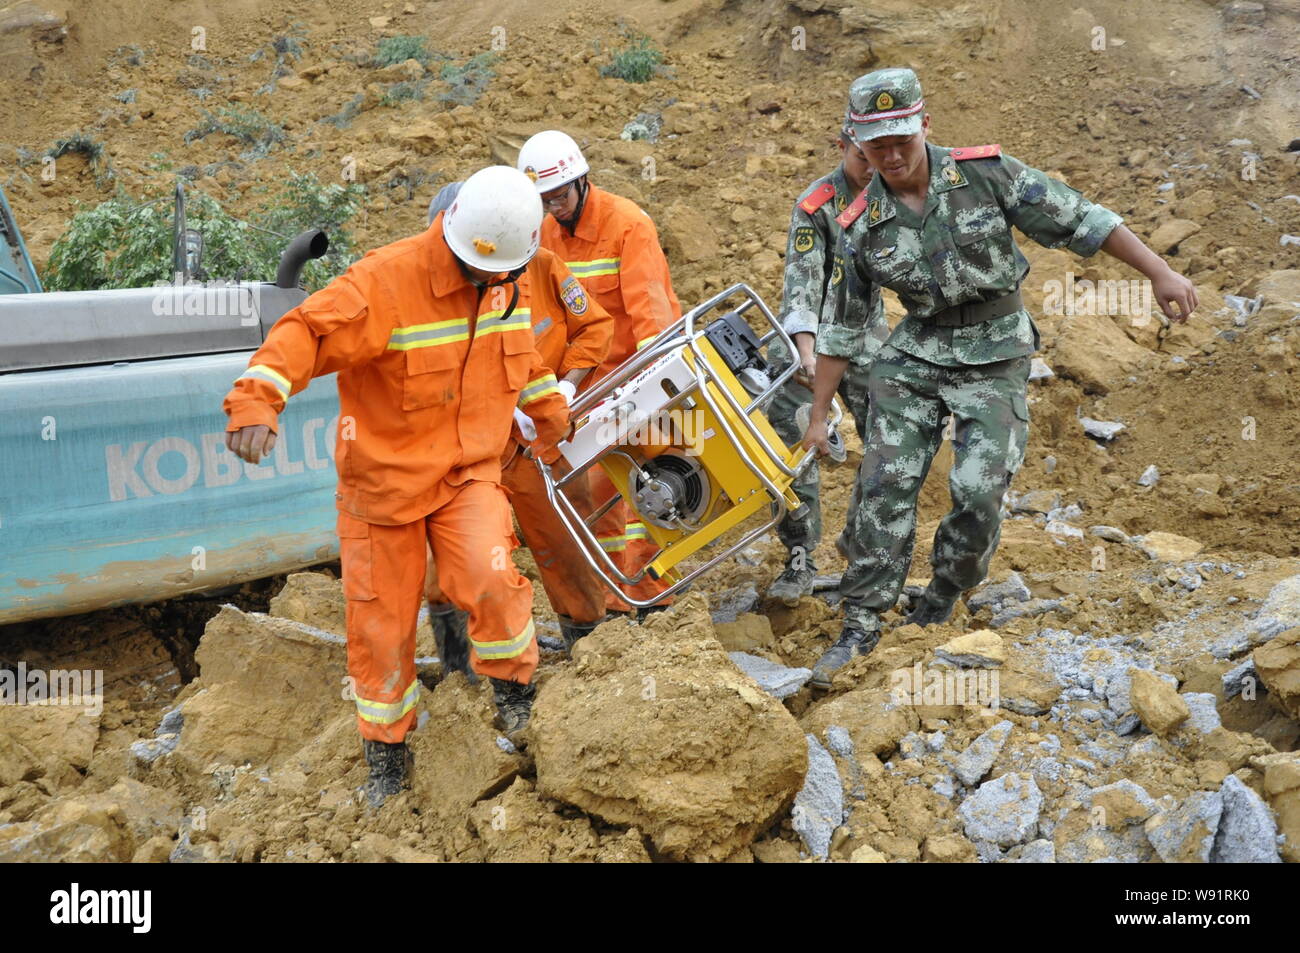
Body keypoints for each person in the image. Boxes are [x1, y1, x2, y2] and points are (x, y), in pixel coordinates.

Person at [803, 68, 1198, 689]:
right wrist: (819, 414)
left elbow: (1083, 220)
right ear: (857, 143)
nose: (893, 156)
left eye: (903, 140)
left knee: (978, 491)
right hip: (916, 353)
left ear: (925, 125)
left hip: (995, 349)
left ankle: (941, 596)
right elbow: (842, 329)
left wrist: (1159, 272)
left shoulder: (987, 174)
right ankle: (861, 621)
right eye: (877, 146)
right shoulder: (859, 223)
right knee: (883, 485)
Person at [223, 166, 571, 807]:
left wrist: (549, 413)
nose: (487, 280)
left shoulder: (507, 280)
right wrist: (257, 400)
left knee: (492, 578)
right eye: (478, 269)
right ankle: (387, 753)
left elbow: (521, 357)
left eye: (500, 273)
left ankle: (515, 698)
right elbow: (305, 332)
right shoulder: (385, 281)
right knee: (381, 629)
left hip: (467, 473)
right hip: (383, 489)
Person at [421, 181, 616, 662]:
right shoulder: (424, 293)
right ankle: (460, 665)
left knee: (562, 540)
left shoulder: (541, 269)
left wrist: (563, 389)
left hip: (535, 443)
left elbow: (592, 328)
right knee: (452, 555)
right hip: (464, 446)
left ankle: (586, 643)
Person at [517, 130, 682, 620]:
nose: (555, 208)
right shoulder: (543, 235)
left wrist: (654, 388)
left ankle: (653, 597)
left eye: (560, 197)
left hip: (636, 378)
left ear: (581, 181)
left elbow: (650, 313)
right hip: (584, 387)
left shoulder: (628, 225)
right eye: (545, 201)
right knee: (595, 498)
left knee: (653, 487)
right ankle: (611, 600)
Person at [764, 122, 889, 606]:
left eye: (879, 157)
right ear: (842, 148)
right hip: (807, 338)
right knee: (792, 442)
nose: (873, 168)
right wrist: (806, 352)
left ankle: (861, 539)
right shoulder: (815, 206)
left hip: (864, 335)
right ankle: (799, 553)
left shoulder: (894, 193)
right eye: (862, 158)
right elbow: (801, 285)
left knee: (891, 439)